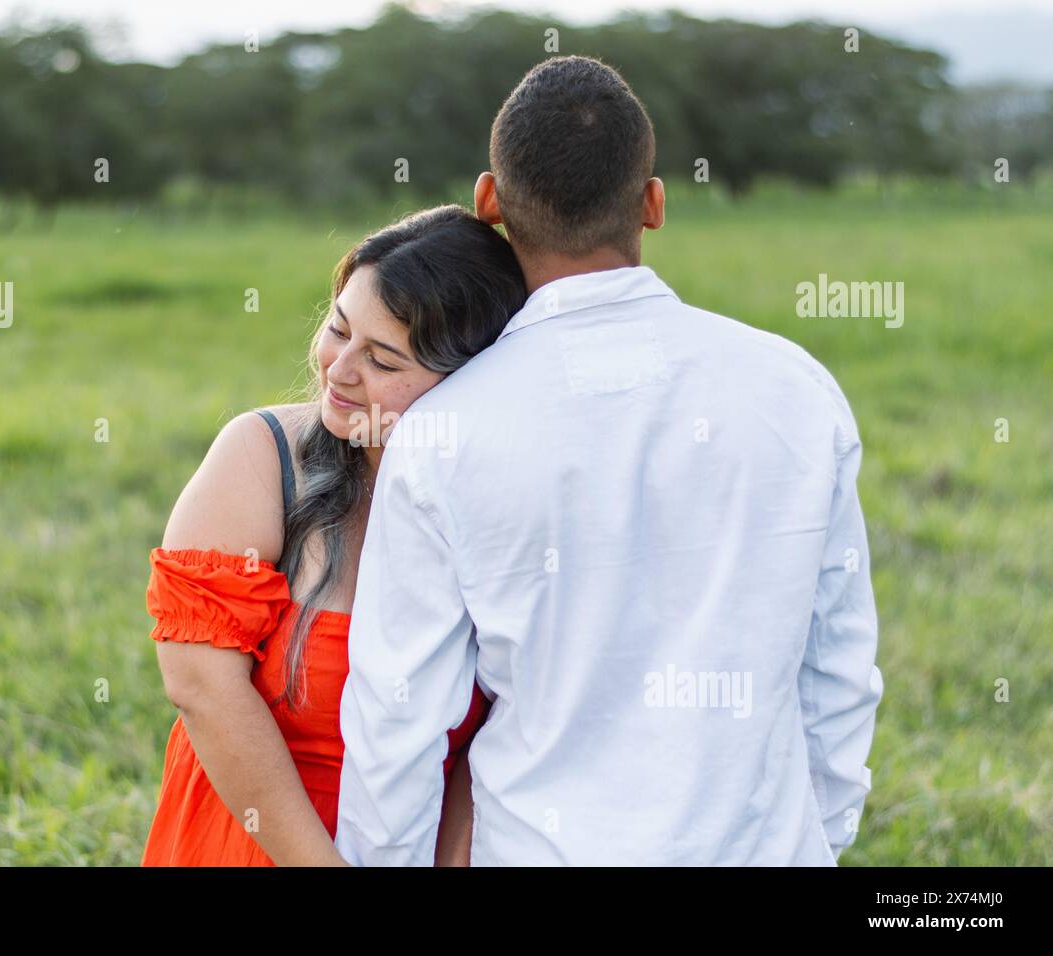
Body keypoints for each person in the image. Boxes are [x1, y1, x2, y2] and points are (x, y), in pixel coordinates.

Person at [335, 55, 885, 866]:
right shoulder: (797, 390)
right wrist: (818, 837)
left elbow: (397, 719)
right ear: (654, 204)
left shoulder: (443, 434)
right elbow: (837, 665)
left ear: (489, 202)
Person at [141, 205, 527, 866]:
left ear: (469, 382)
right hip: (261, 839)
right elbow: (202, 688)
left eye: (382, 359)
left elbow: (506, 728)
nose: (339, 370)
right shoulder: (263, 457)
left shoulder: (506, 505)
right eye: (337, 329)